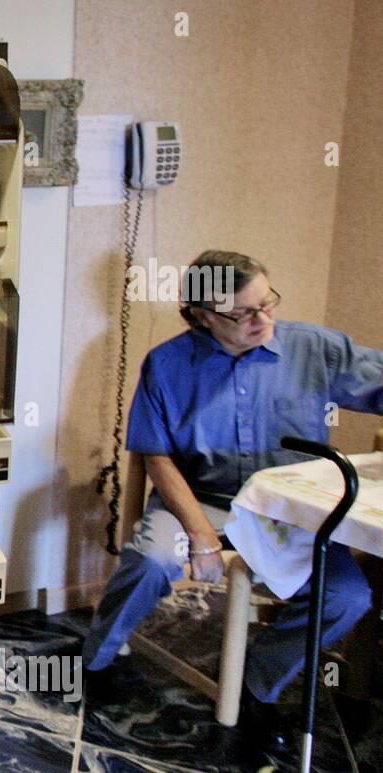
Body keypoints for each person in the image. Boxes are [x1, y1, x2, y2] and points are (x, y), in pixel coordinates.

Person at [83, 250, 381, 738]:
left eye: (266, 303)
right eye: (243, 313)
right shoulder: (168, 364)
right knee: (153, 559)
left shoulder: (315, 349)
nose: (262, 320)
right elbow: (157, 457)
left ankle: (257, 679)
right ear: (201, 315)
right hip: (200, 497)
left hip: (290, 509)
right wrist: (200, 534)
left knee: (348, 596)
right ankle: (97, 658)